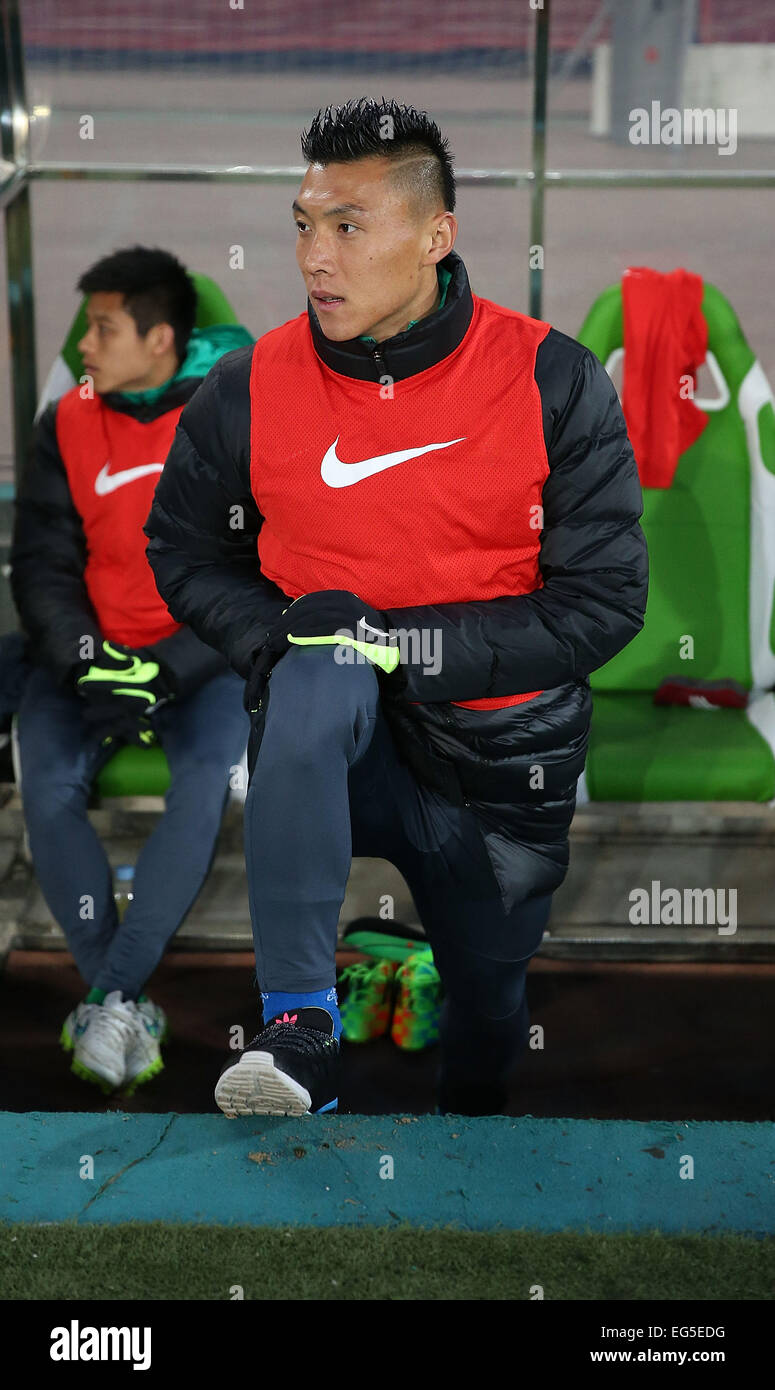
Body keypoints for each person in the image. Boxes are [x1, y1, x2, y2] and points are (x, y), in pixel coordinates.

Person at [145, 98, 649, 1118]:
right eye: (302, 224)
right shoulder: (245, 387)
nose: (313, 257)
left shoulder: (554, 379)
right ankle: (300, 1026)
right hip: (334, 739)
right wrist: (275, 638)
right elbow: (186, 551)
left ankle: (472, 1094)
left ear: (434, 236)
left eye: (347, 226)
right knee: (319, 653)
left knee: (488, 1009)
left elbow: (604, 603)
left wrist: (401, 648)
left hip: (498, 759)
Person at [10, 246, 252, 1095]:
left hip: (202, 665)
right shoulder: (66, 420)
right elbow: (40, 562)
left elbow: (255, 568)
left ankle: (109, 999)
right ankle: (120, 999)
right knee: (45, 789)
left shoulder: (230, 417)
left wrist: (170, 669)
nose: (82, 346)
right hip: (85, 666)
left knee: (202, 784)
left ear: (160, 340)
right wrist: (87, 659)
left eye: (101, 329)